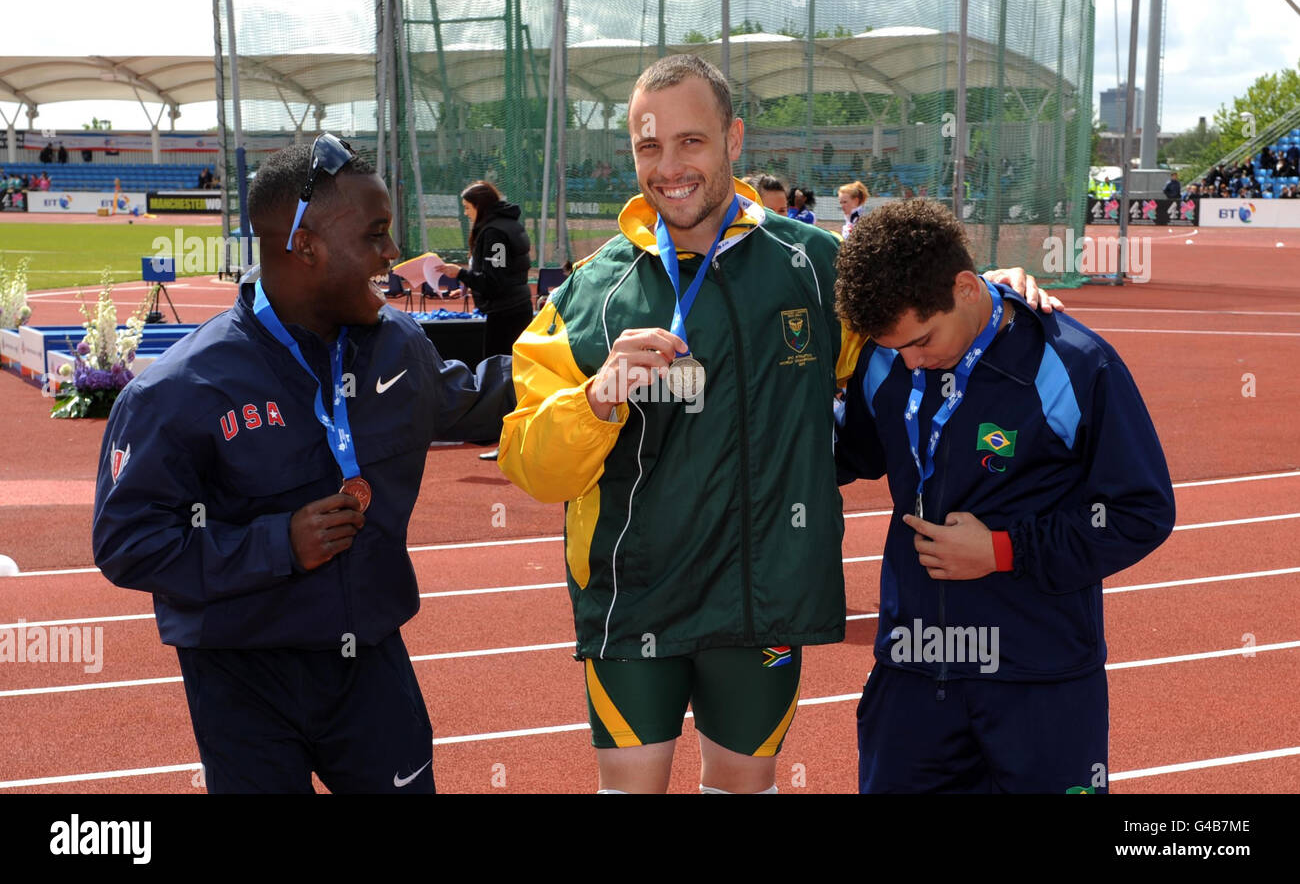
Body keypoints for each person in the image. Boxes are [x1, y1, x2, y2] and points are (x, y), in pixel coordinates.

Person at [496, 54, 1054, 794]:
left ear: (734, 140)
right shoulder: (586, 296)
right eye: (649, 147)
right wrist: (596, 399)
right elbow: (531, 466)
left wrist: (985, 293)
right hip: (636, 598)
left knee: (740, 789)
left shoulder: (816, 267)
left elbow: (913, 320)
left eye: (690, 141)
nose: (669, 167)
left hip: (763, 600)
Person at [91, 139, 515, 794]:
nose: (392, 252)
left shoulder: (397, 346)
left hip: (371, 668)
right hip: (241, 680)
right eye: (375, 234)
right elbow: (127, 544)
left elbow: (485, 398)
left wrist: (601, 359)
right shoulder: (179, 391)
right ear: (305, 245)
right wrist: (274, 544)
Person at [833, 199, 1175, 793]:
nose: (911, 361)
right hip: (914, 670)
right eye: (896, 349)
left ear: (967, 288)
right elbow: (848, 455)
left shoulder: (1073, 362)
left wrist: (1003, 551)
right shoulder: (884, 357)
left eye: (922, 340)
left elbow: (1140, 511)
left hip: (1039, 676)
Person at [440, 180, 533, 461]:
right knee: (513, 376)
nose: (466, 213)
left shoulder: (494, 233)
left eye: (468, 208)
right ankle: (514, 438)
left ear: (480, 206)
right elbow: (499, 274)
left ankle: (506, 440)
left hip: (506, 313)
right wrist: (467, 286)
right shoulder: (507, 225)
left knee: (499, 378)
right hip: (515, 308)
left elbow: (495, 280)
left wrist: (460, 275)